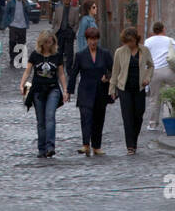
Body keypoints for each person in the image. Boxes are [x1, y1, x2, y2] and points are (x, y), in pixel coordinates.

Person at [20, 29, 69, 158]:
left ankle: (50, 146)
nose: (48, 45)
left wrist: (65, 90)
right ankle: (41, 149)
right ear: (42, 43)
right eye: (46, 42)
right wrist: (22, 84)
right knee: (40, 121)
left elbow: (61, 74)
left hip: (53, 88)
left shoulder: (57, 56)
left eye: (51, 42)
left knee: (50, 116)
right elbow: (28, 71)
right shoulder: (35, 55)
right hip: (37, 90)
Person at [109, 26, 155, 154]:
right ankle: (130, 145)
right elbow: (115, 71)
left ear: (136, 39)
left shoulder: (144, 50)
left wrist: (147, 78)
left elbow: (151, 66)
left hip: (139, 87)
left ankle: (134, 139)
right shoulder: (120, 52)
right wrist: (112, 89)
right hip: (124, 88)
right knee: (127, 116)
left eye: (132, 41)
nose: (130, 44)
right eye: (127, 41)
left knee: (139, 114)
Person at [69, 24, 113, 156]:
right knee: (86, 118)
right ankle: (85, 145)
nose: (93, 41)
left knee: (98, 119)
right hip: (85, 92)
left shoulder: (105, 54)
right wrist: (68, 91)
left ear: (98, 39)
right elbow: (73, 74)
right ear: (87, 40)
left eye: (95, 39)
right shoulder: (80, 55)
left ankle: (97, 146)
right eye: (90, 39)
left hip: (100, 91)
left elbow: (114, 70)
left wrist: (108, 78)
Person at [144, 20, 175, 130]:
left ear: (153, 31)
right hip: (169, 71)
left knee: (154, 99)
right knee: (170, 98)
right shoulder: (170, 40)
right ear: (163, 29)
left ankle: (153, 124)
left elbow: (145, 59)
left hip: (154, 72)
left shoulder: (148, 41)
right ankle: (168, 124)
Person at [52, 0, 75, 91]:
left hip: (69, 32)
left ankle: (69, 71)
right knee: (59, 52)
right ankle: (58, 68)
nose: (67, 0)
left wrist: (73, 31)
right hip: (60, 32)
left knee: (69, 52)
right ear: (62, 0)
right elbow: (55, 21)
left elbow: (76, 23)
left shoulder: (75, 10)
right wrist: (55, 30)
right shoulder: (58, 9)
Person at [4, 0, 31, 70]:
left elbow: (29, 10)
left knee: (21, 43)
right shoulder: (11, 2)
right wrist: (7, 23)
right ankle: (12, 58)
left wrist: (24, 3)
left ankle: (19, 58)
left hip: (22, 25)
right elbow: (6, 12)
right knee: (12, 42)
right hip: (13, 25)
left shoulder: (25, 2)